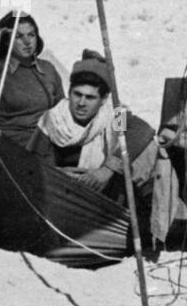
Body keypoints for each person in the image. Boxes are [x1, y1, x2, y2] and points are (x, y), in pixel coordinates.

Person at [32, 49, 159, 201]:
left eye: (90, 97)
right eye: (77, 94)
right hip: (58, 193)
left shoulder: (112, 114)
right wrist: (58, 173)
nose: (81, 103)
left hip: (101, 195)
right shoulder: (54, 118)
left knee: (148, 150)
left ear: (103, 99)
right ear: (69, 91)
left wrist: (107, 169)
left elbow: (142, 130)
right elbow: (32, 160)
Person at [0, 11, 65, 149]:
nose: (27, 42)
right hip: (9, 149)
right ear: (7, 41)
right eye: (18, 37)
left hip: (47, 144)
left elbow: (61, 110)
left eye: (31, 35)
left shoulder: (47, 69)